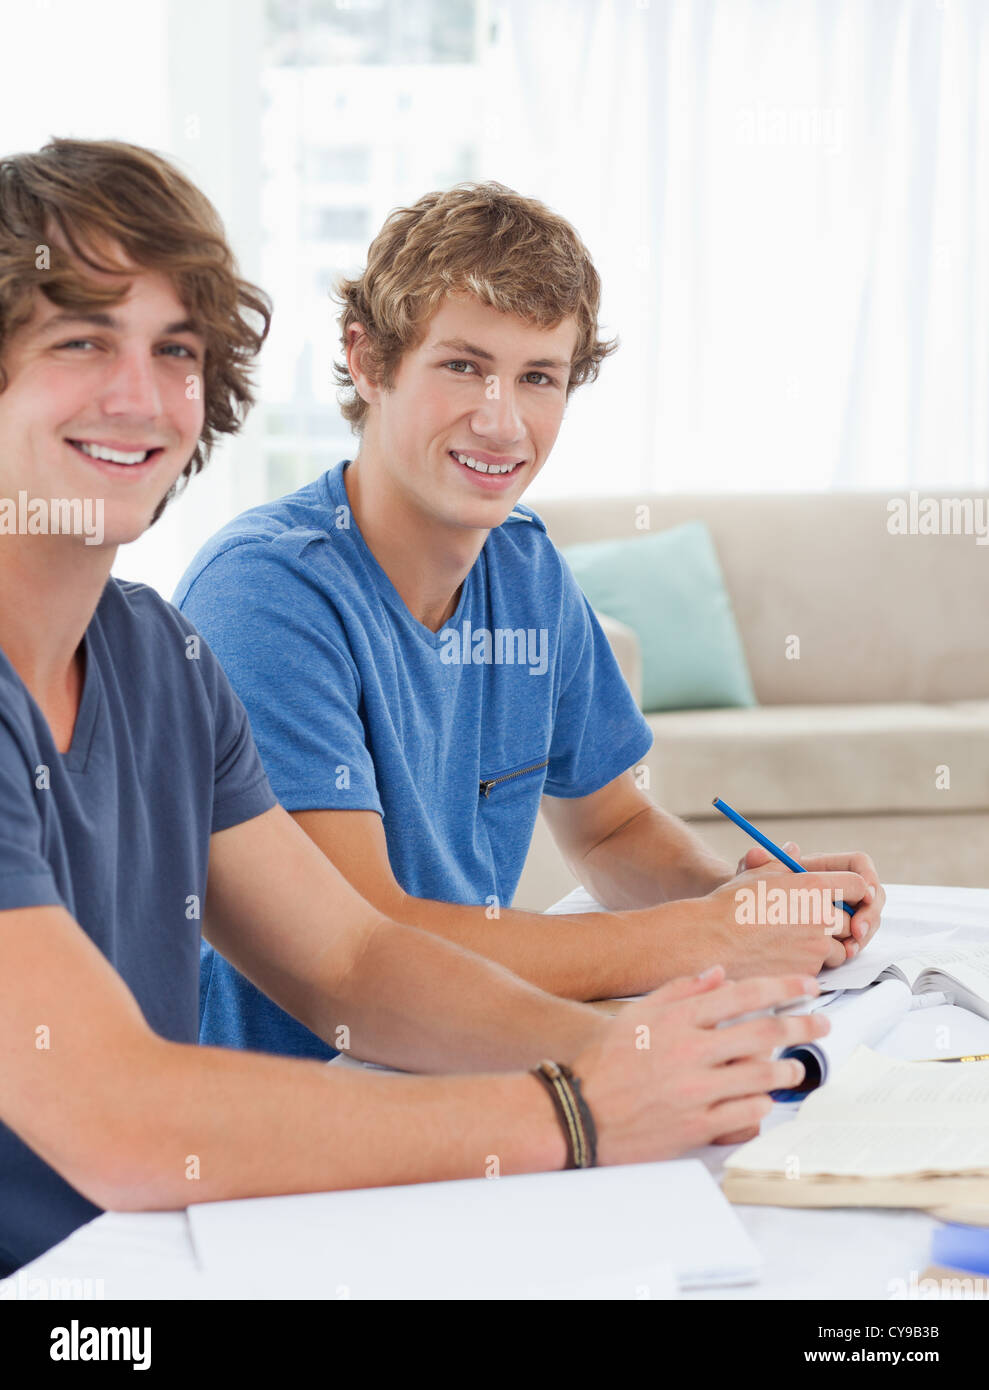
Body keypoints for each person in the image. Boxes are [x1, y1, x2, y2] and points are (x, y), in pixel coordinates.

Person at [0, 137, 836, 1278]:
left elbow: (349, 961)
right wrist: (573, 1109)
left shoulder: (158, 659)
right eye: (81, 341)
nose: (139, 395)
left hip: (152, 1257)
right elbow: (121, 1113)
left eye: (176, 348)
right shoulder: (260, 591)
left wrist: (635, 1056)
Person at [175, 181, 885, 1062]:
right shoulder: (266, 596)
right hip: (309, 1098)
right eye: (463, 365)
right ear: (366, 360)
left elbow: (610, 825)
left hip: (471, 1059)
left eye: (537, 377)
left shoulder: (524, 566)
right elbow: (366, 940)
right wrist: (706, 940)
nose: (501, 420)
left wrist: (735, 897)